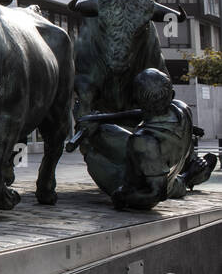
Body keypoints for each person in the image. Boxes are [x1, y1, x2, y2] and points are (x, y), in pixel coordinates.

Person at [74, 68, 218, 209]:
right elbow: (142, 113)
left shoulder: (144, 142)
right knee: (104, 130)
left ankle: (189, 177)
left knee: (92, 153)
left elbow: (156, 193)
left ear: (136, 100)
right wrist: (101, 117)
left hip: (146, 189)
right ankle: (191, 176)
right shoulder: (182, 109)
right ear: (172, 95)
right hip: (167, 175)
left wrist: (121, 197)